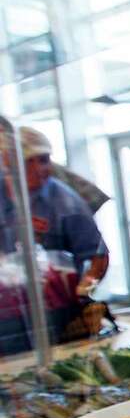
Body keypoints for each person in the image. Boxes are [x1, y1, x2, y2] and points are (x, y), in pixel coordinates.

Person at [0, 125, 108, 297]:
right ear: (7, 163)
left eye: (44, 160)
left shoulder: (67, 204)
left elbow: (97, 256)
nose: (39, 169)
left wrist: (83, 292)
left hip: (54, 303)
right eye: (28, 162)